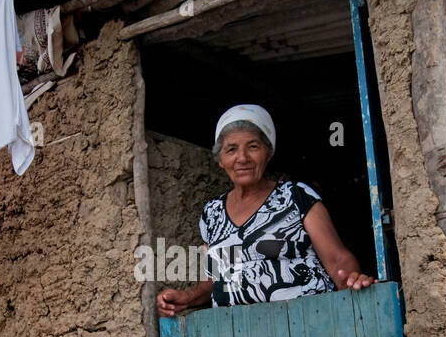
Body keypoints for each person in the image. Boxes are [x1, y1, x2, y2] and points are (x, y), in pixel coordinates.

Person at [157, 103, 376, 316]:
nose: (242, 158)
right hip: (235, 334)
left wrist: (352, 281)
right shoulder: (213, 215)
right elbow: (215, 281)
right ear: (221, 160)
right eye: (231, 149)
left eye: (253, 146)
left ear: (268, 152)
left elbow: (338, 260)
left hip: (308, 324)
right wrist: (187, 297)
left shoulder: (297, 198)